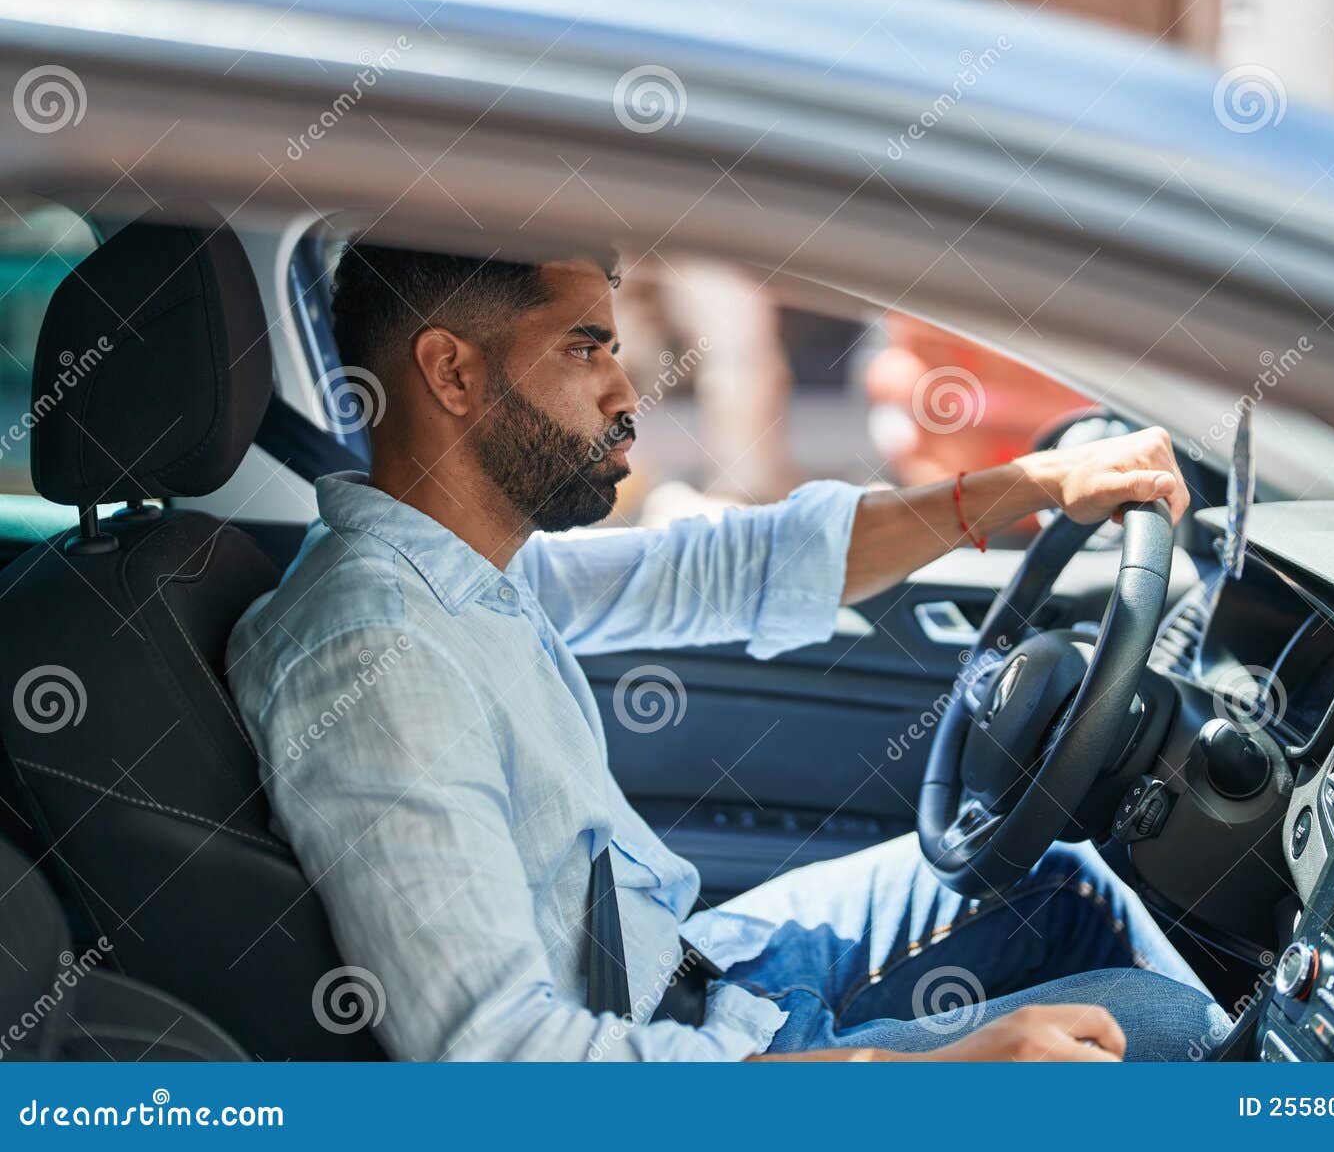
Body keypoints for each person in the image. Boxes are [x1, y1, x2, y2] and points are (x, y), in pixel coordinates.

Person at [226, 241, 1226, 1062]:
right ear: (452, 371)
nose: (627, 392)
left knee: (1065, 877)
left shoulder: (469, 569)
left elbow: (738, 566)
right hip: (682, 1056)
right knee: (1169, 1029)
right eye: (584, 350)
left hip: (703, 974)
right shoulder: (378, 655)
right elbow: (507, 1061)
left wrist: (1037, 483)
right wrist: (926, 1077)